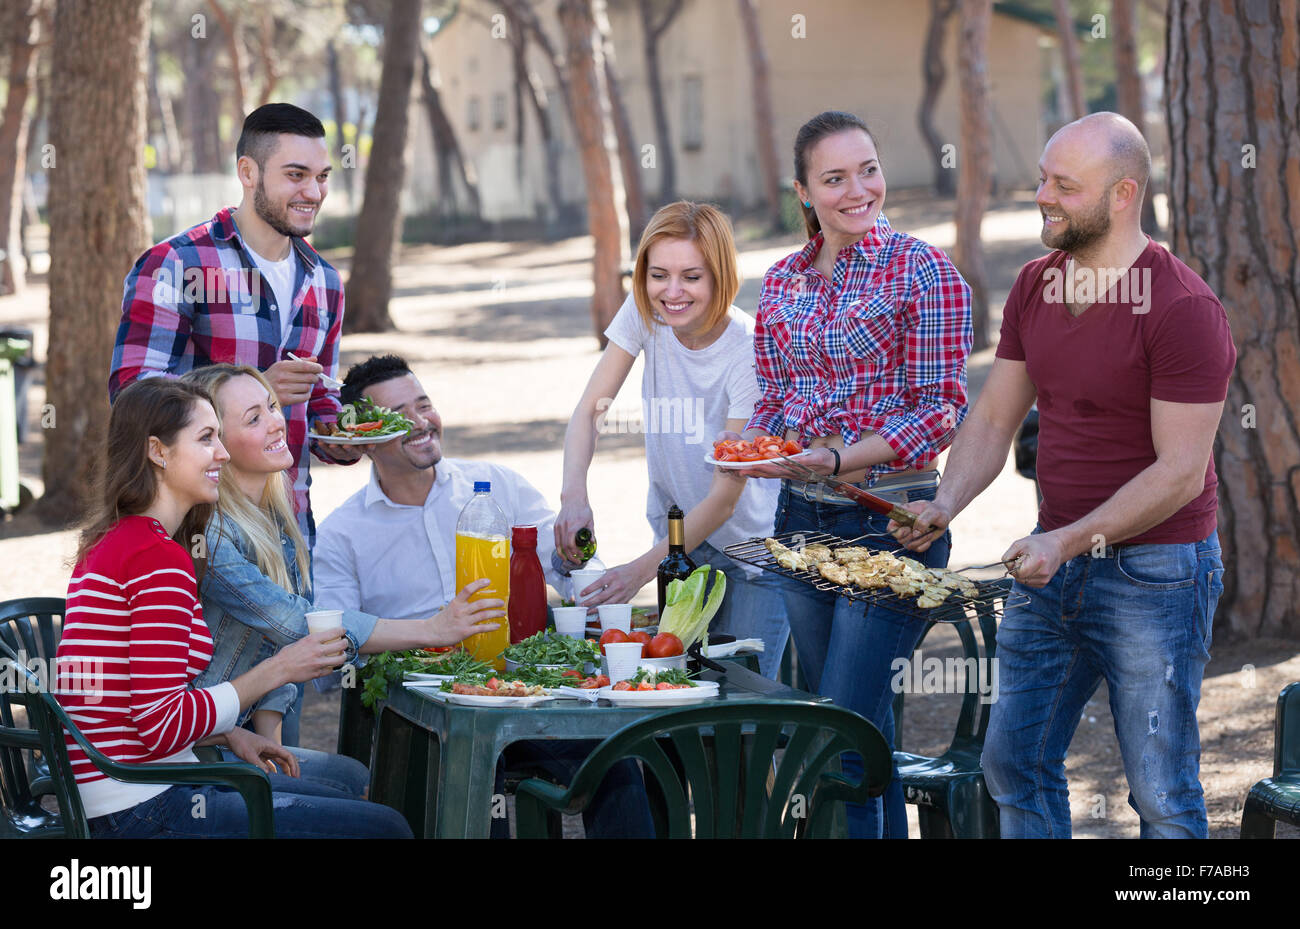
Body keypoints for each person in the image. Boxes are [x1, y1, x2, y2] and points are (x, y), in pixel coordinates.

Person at [891, 113, 1234, 839]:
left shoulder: (1182, 309)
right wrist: (945, 502)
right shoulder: (1035, 286)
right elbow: (990, 420)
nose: (1042, 194)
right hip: (1054, 566)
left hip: (1157, 572)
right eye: (1044, 176)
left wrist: (1067, 540)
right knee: (1013, 764)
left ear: (1121, 195)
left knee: (1161, 791)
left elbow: (1179, 473)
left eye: (1063, 185)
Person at [740, 110, 973, 838]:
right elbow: (775, 399)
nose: (857, 189)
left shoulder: (924, 271)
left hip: (892, 521)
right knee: (861, 727)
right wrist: (755, 444)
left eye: (866, 169)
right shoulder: (781, 281)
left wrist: (841, 457)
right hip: (799, 524)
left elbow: (938, 410)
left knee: (839, 737)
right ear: (803, 191)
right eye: (834, 177)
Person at [53, 378, 413, 838]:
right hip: (143, 807)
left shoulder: (121, 542)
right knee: (386, 828)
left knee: (350, 798)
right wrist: (278, 669)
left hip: (136, 788)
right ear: (158, 452)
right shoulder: (154, 558)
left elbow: (132, 708)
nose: (222, 453)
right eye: (206, 439)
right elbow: (158, 726)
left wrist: (228, 734)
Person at [314, 355, 654, 838]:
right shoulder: (342, 532)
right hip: (420, 714)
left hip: (517, 698)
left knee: (612, 761)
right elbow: (333, 646)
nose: (420, 422)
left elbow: (566, 559)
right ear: (365, 439)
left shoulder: (495, 484)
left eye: (424, 405)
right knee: (475, 779)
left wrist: (588, 579)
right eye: (397, 416)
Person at [181, 363, 504, 762]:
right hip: (192, 747)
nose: (277, 424)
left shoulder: (275, 517)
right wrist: (432, 630)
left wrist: (276, 751)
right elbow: (296, 624)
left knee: (358, 782)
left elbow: (274, 647)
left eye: (272, 406)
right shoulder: (209, 534)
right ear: (217, 443)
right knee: (381, 817)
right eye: (253, 418)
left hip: (234, 733)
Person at [109, 102, 362, 549]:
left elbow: (320, 406)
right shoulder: (177, 263)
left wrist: (358, 434)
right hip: (201, 532)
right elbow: (134, 397)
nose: (314, 191)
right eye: (296, 174)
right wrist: (258, 389)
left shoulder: (325, 282)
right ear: (248, 172)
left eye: (322, 176)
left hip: (292, 528)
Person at [554, 201, 790, 678]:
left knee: (742, 713)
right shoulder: (646, 314)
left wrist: (637, 571)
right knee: (682, 696)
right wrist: (573, 497)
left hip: (752, 556)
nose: (672, 292)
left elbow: (725, 499)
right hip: (679, 547)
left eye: (692, 277)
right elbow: (589, 411)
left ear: (720, 276)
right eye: (658, 275)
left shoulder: (749, 350)